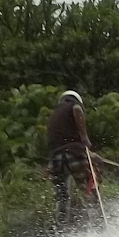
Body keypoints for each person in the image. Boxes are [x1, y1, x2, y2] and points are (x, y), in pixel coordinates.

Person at [45, 89, 99, 221]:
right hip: (73, 155)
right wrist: (84, 137)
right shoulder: (73, 106)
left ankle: (61, 226)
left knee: (62, 196)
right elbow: (77, 110)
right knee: (89, 188)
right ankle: (97, 221)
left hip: (56, 160)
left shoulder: (54, 115)